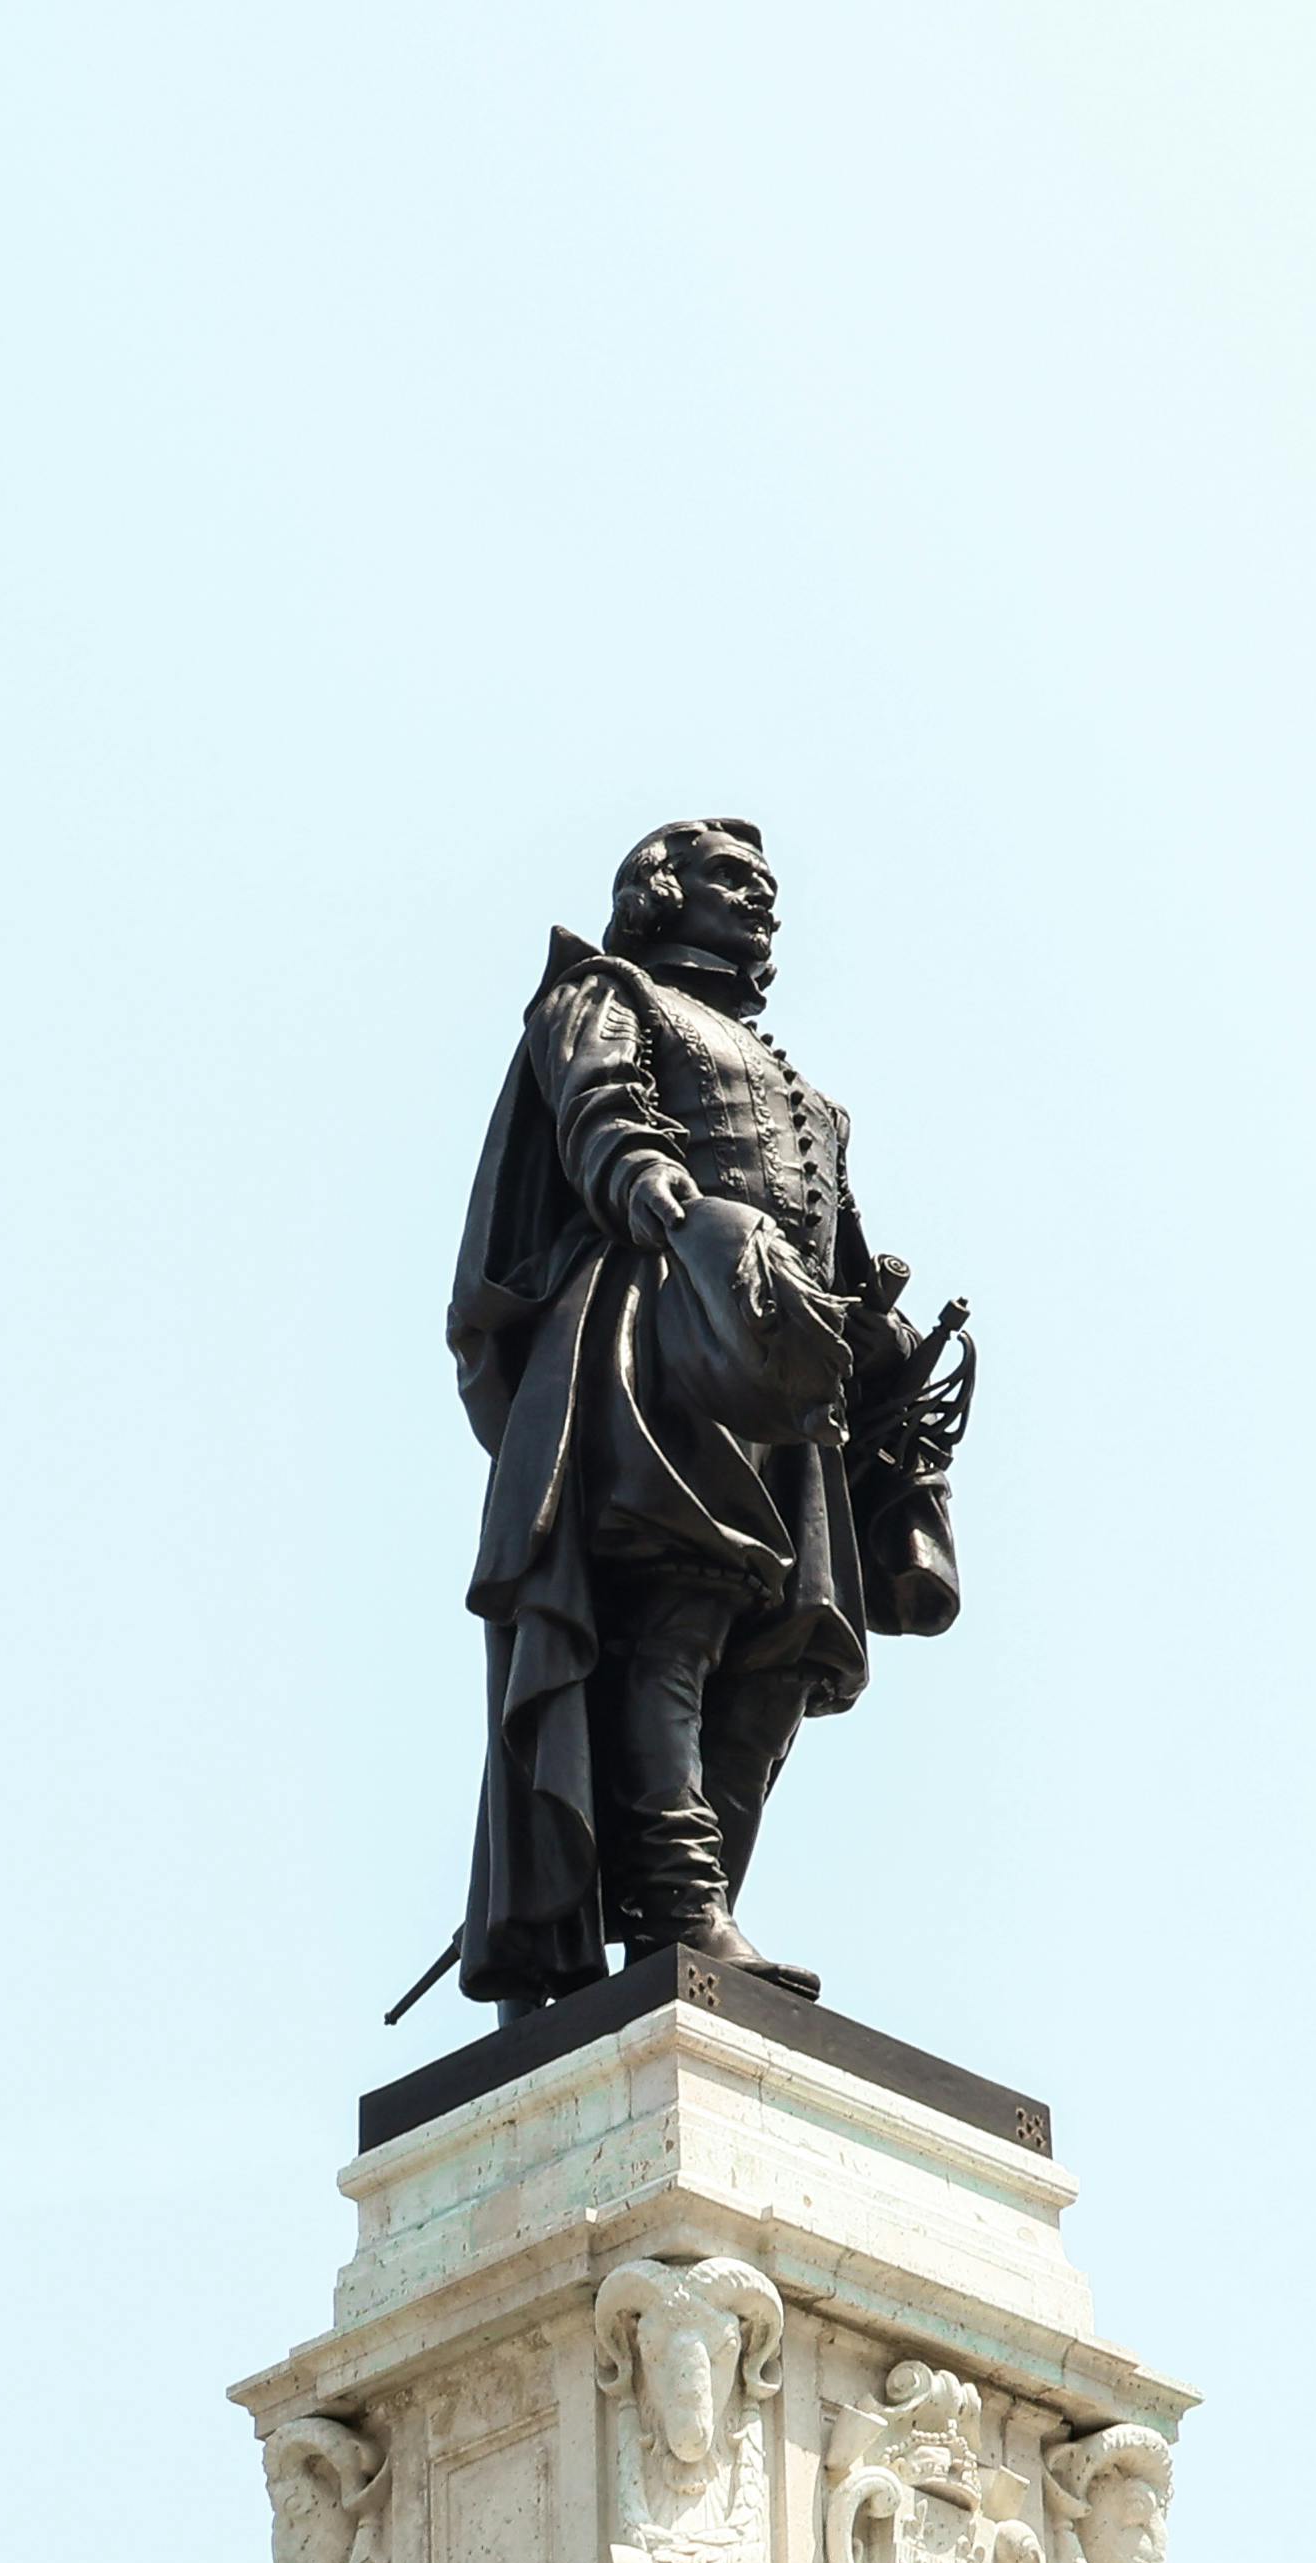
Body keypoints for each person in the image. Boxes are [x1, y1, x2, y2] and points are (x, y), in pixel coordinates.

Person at [439, 820, 968, 2011]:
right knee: (676, 1613)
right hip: (662, 1326)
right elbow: (596, 1107)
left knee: (777, 1654)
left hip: (790, 1380)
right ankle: (683, 1913)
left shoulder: (816, 1105)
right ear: (662, 892)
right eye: (735, 881)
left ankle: (700, 1908)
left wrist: (890, 1356)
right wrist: (643, 1177)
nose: (761, 901)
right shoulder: (603, 989)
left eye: (769, 887)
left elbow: (838, 1256)